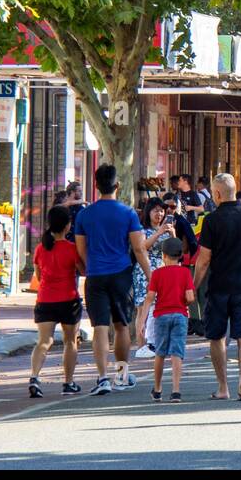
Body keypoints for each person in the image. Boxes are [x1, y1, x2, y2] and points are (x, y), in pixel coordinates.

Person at [74, 163, 150, 395]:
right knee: (121, 326)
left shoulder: (84, 214)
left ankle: (102, 377)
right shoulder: (127, 213)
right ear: (118, 185)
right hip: (121, 275)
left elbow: (81, 248)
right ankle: (122, 375)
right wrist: (151, 275)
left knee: (99, 327)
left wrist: (91, 266)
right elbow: (138, 248)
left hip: (96, 275)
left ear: (96, 185)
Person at [194, 173, 241, 401]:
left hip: (218, 286)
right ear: (235, 190)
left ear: (216, 193)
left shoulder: (211, 220)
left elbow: (204, 259)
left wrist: (193, 285)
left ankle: (223, 387)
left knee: (216, 336)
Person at [29, 206, 83, 398]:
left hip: (45, 300)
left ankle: (34, 377)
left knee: (44, 341)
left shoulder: (40, 248)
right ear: (68, 225)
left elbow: (38, 275)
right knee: (70, 341)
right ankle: (68, 383)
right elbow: (82, 270)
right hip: (69, 299)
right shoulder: (71, 248)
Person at [138, 237, 194, 402]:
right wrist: (185, 300)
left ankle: (157, 389)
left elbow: (149, 298)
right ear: (180, 255)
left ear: (163, 255)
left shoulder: (157, 274)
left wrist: (142, 320)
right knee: (177, 353)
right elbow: (190, 297)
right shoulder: (185, 272)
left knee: (160, 352)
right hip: (180, 315)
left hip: (161, 316)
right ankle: (176, 390)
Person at [133, 199, 175, 360]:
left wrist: (171, 233)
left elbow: (174, 247)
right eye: (155, 210)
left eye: (161, 211)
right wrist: (159, 232)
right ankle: (141, 345)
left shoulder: (165, 228)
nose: (159, 214)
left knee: (159, 308)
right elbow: (142, 247)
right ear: (148, 212)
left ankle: (155, 342)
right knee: (143, 308)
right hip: (145, 270)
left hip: (162, 271)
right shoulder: (143, 230)